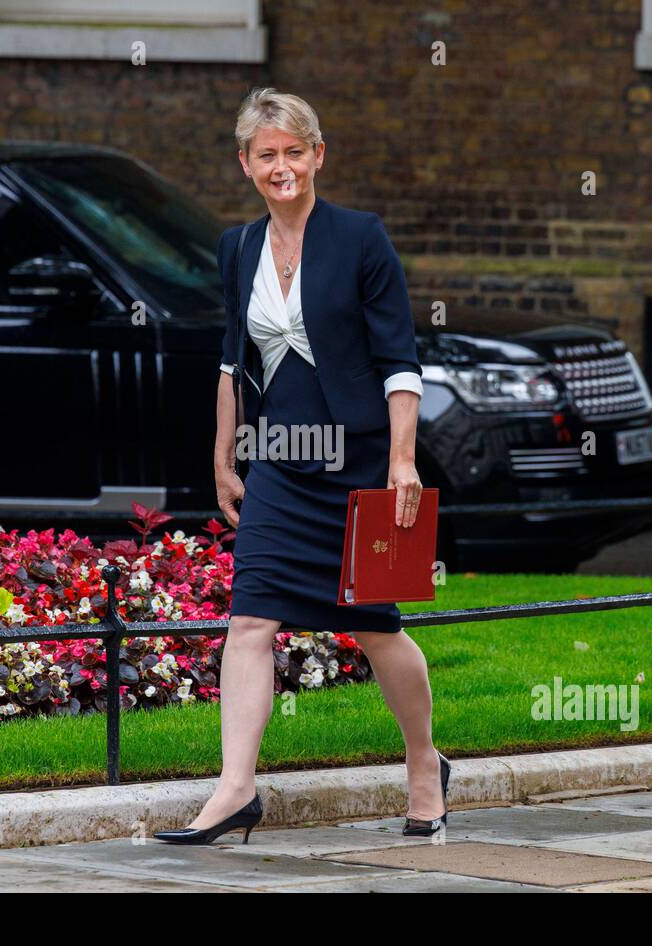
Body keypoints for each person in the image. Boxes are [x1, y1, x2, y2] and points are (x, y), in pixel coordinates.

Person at [154, 88, 451, 846]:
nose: (281, 166)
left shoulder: (361, 239)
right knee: (250, 618)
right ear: (246, 165)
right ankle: (235, 790)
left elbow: (399, 361)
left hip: (360, 462)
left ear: (318, 155)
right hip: (280, 461)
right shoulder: (238, 248)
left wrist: (403, 461)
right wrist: (224, 455)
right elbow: (232, 362)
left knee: (376, 628)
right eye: (266, 155)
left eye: (294, 151)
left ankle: (424, 764)